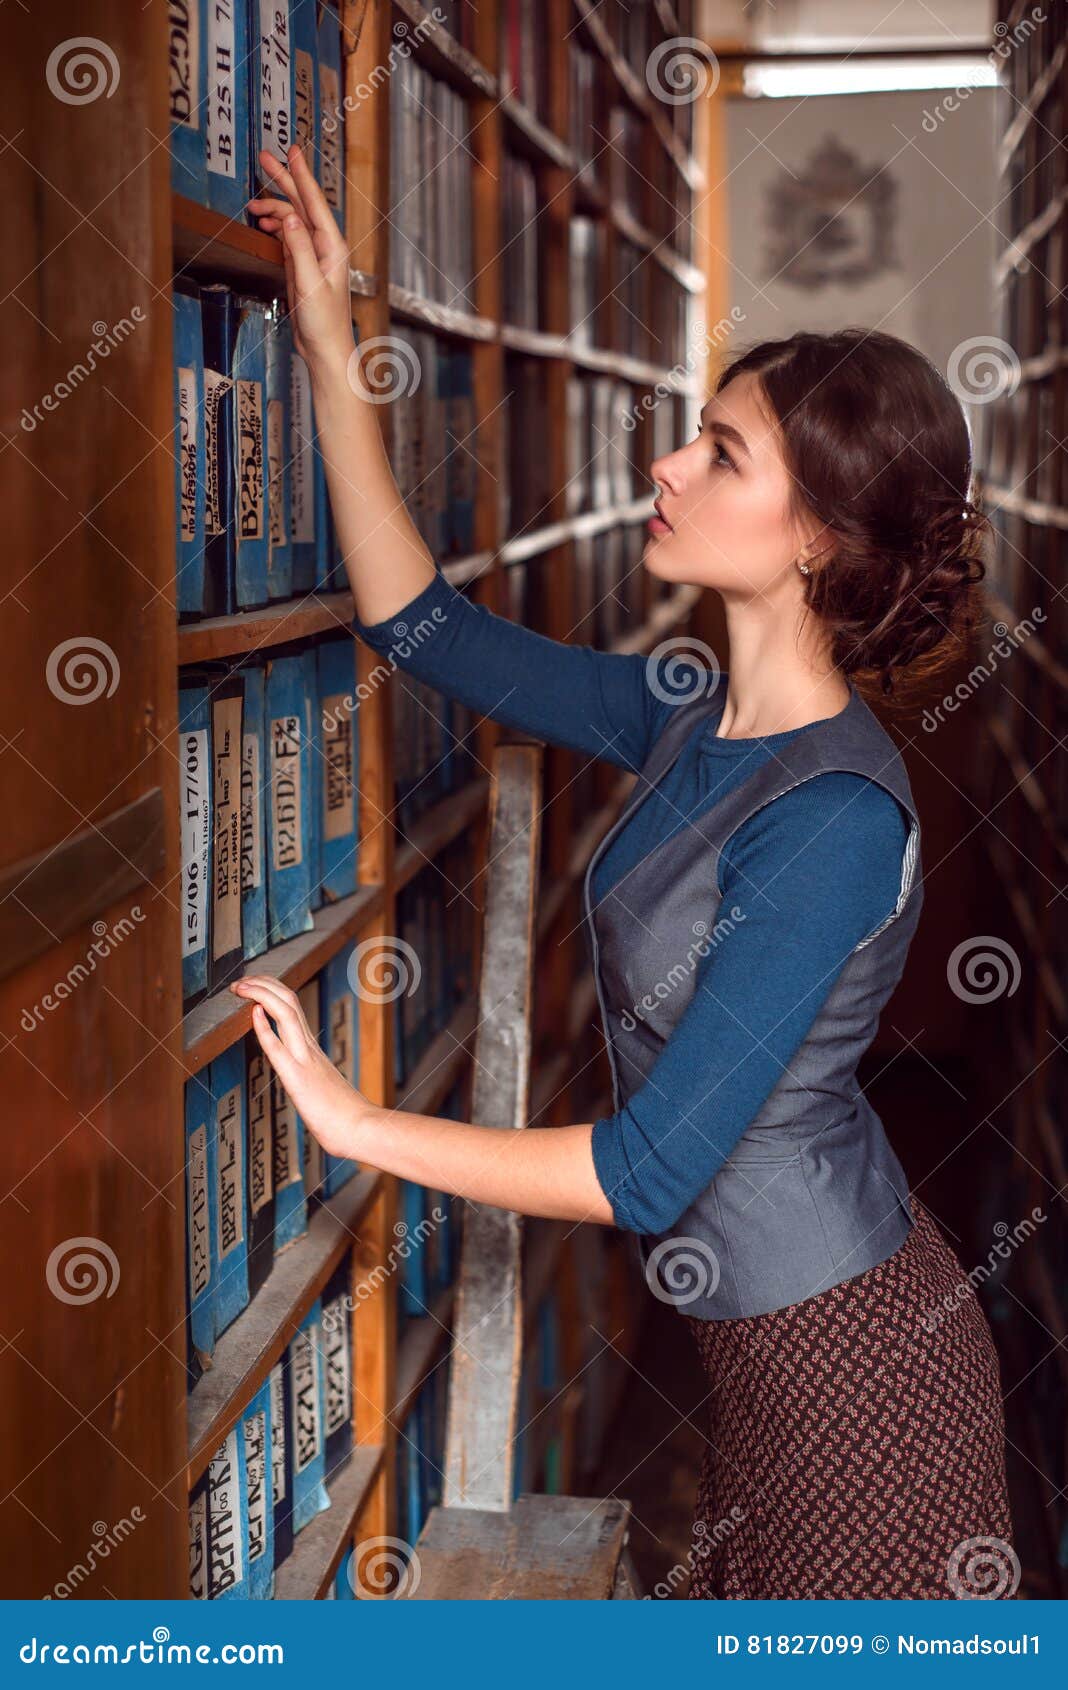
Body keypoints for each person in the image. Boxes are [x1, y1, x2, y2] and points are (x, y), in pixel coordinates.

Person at [230, 142, 1014, 1600]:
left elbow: (653, 1168)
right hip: (769, 1359)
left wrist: (359, 1125)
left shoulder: (836, 814)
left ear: (819, 542)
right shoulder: (680, 710)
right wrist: (333, 344)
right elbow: (423, 631)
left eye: (721, 453)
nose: (665, 463)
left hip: (858, 1386)